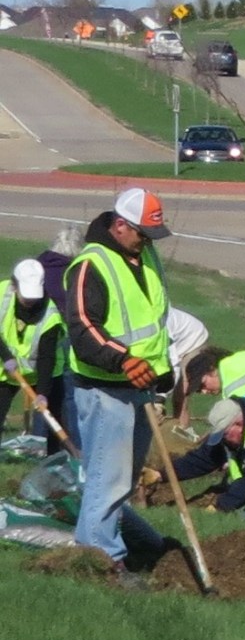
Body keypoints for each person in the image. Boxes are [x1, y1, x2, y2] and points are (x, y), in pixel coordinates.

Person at [60, 186, 178, 577]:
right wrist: (122, 359)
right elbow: (82, 327)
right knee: (106, 479)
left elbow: (155, 321)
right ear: (120, 225)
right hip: (103, 387)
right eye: (142, 233)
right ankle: (103, 558)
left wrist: (163, 369)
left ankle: (96, 547)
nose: (147, 242)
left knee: (122, 480)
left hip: (141, 386)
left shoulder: (146, 257)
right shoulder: (91, 264)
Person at [0, 258, 65, 449]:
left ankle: (55, 461)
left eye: (33, 298)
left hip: (43, 372)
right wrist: (6, 356)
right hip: (6, 370)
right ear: (14, 285)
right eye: (26, 297)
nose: (30, 302)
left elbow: (47, 357)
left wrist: (43, 393)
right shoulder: (2, 294)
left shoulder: (50, 315)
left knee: (54, 419)